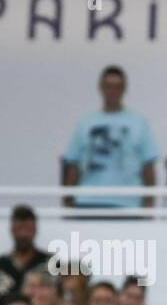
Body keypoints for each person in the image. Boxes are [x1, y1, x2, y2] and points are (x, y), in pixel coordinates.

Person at [62, 65, 159, 209]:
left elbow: (148, 166)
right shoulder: (85, 123)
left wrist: (149, 204)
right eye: (108, 86)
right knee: (78, 233)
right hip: (88, 203)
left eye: (117, 86)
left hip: (128, 205)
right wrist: (68, 202)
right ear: (100, 88)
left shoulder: (139, 122)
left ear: (124, 89)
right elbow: (73, 164)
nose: (112, 91)